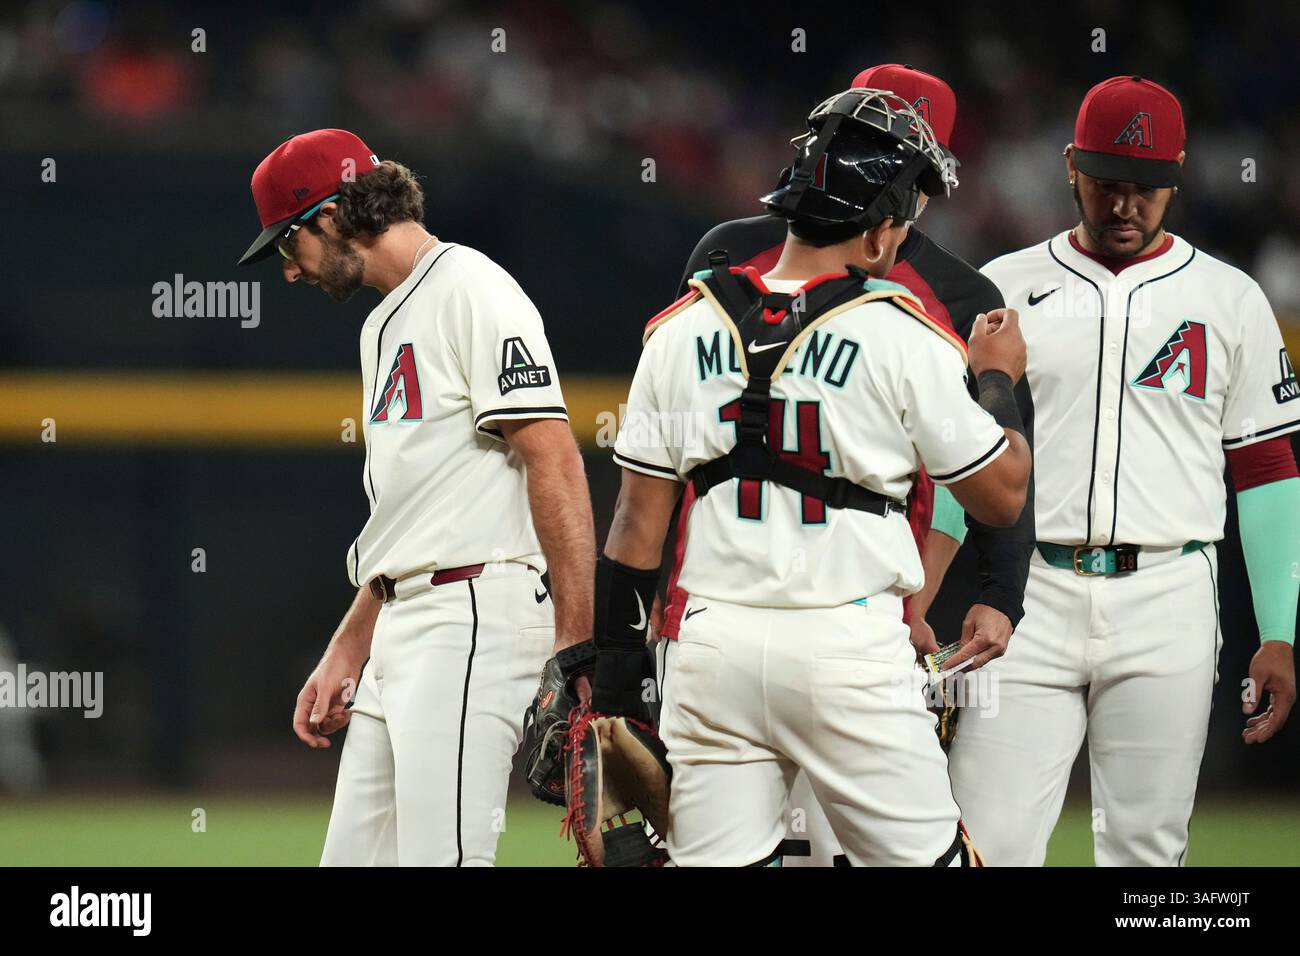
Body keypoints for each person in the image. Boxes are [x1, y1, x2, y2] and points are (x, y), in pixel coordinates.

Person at [596, 89, 1031, 866]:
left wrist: (618, 690)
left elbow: (635, 526)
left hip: (712, 647)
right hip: (847, 645)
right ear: (878, 231)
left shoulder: (679, 328)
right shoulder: (904, 333)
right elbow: (1000, 496)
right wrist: (994, 381)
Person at [947, 76, 1298, 866]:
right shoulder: (1004, 286)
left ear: (1177, 174)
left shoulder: (1229, 298)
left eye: (1148, 188)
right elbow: (959, 458)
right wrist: (925, 594)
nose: (1126, 206)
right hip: (1028, 597)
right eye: (1108, 184)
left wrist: (1277, 629)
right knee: (986, 844)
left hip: (1168, 595)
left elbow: (1267, 464)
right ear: (1072, 166)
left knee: (1146, 853)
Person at [236, 128, 595, 865]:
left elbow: (553, 459)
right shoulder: (382, 323)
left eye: (286, 243)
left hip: (472, 615)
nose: (290, 271)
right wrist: (352, 638)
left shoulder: (471, 287)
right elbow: (418, 513)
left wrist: (576, 642)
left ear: (331, 216)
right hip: (408, 615)